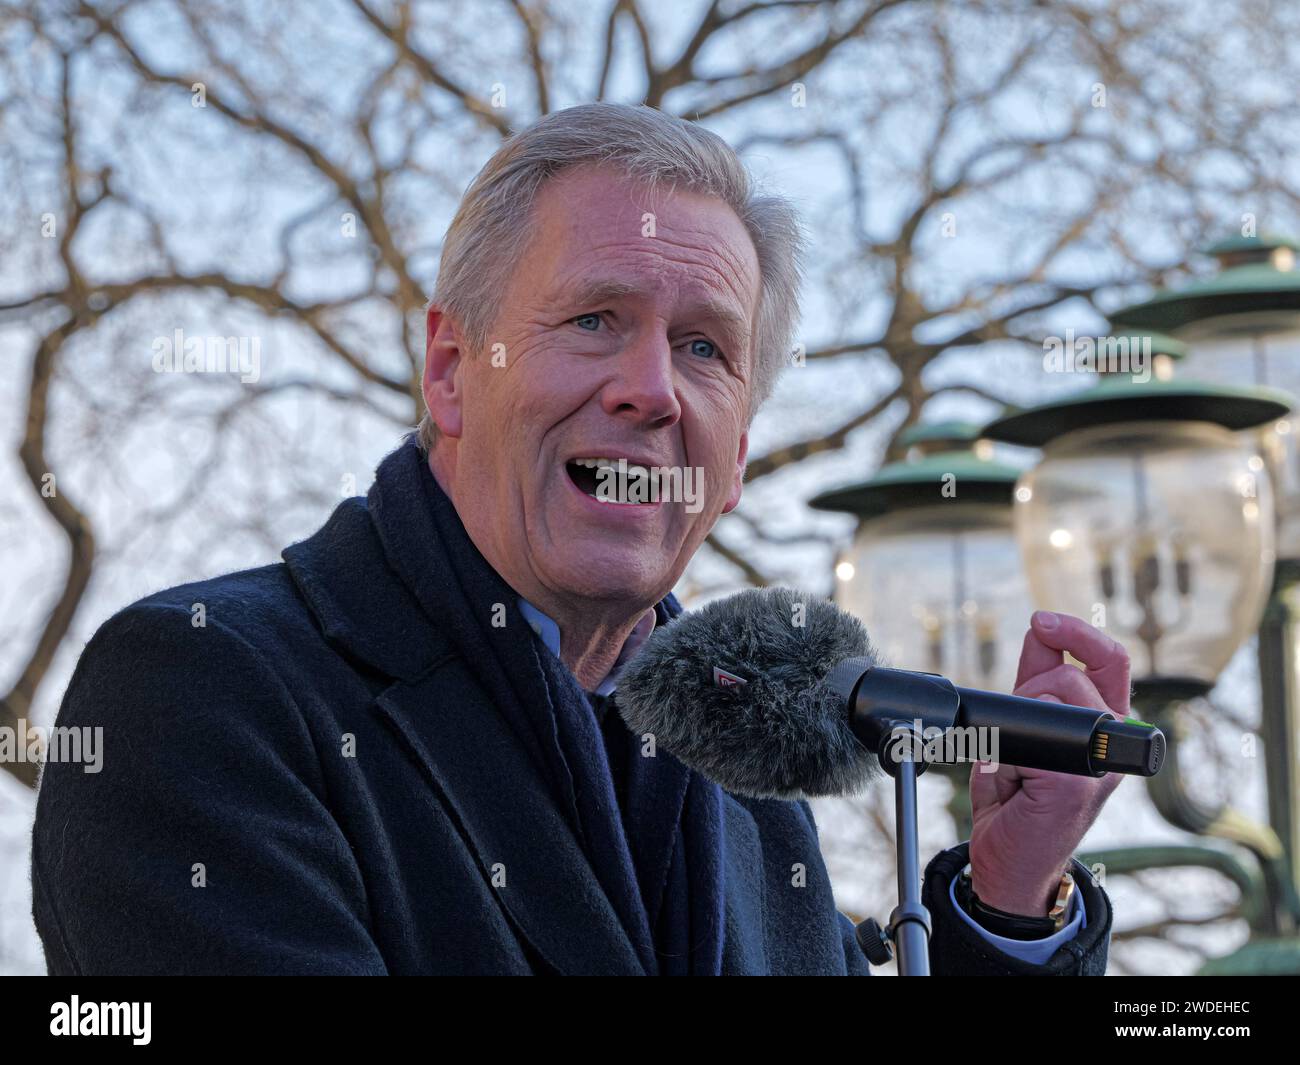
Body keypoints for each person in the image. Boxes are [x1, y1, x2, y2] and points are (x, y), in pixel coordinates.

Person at [31, 103, 1125, 975]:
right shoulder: (205, 686)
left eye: (703, 348)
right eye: (596, 319)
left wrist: (1006, 900)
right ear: (453, 374)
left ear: (736, 455)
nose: (649, 389)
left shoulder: (750, 782)